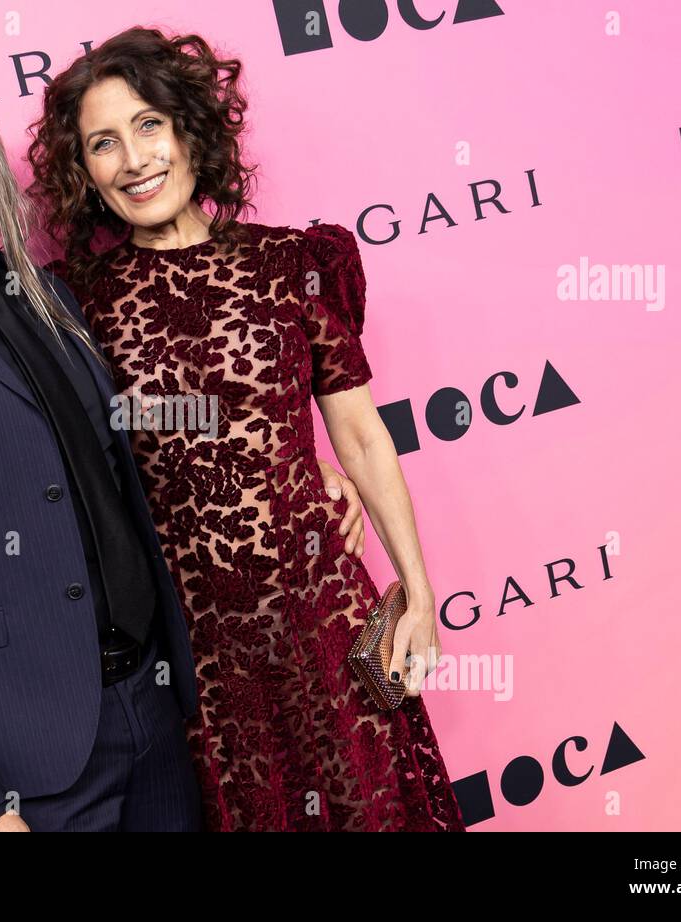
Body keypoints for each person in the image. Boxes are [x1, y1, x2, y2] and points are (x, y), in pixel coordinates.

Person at [0, 19, 362, 832]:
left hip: (160, 721)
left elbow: (128, 440)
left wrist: (278, 458)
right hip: (21, 775)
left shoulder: (50, 298)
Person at [28, 27, 467, 831]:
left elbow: (361, 436)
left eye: (149, 124)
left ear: (191, 128)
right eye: (103, 143)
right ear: (83, 172)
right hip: (202, 661)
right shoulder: (72, 304)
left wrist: (419, 594)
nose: (134, 159)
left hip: (328, 626)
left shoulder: (292, 263)